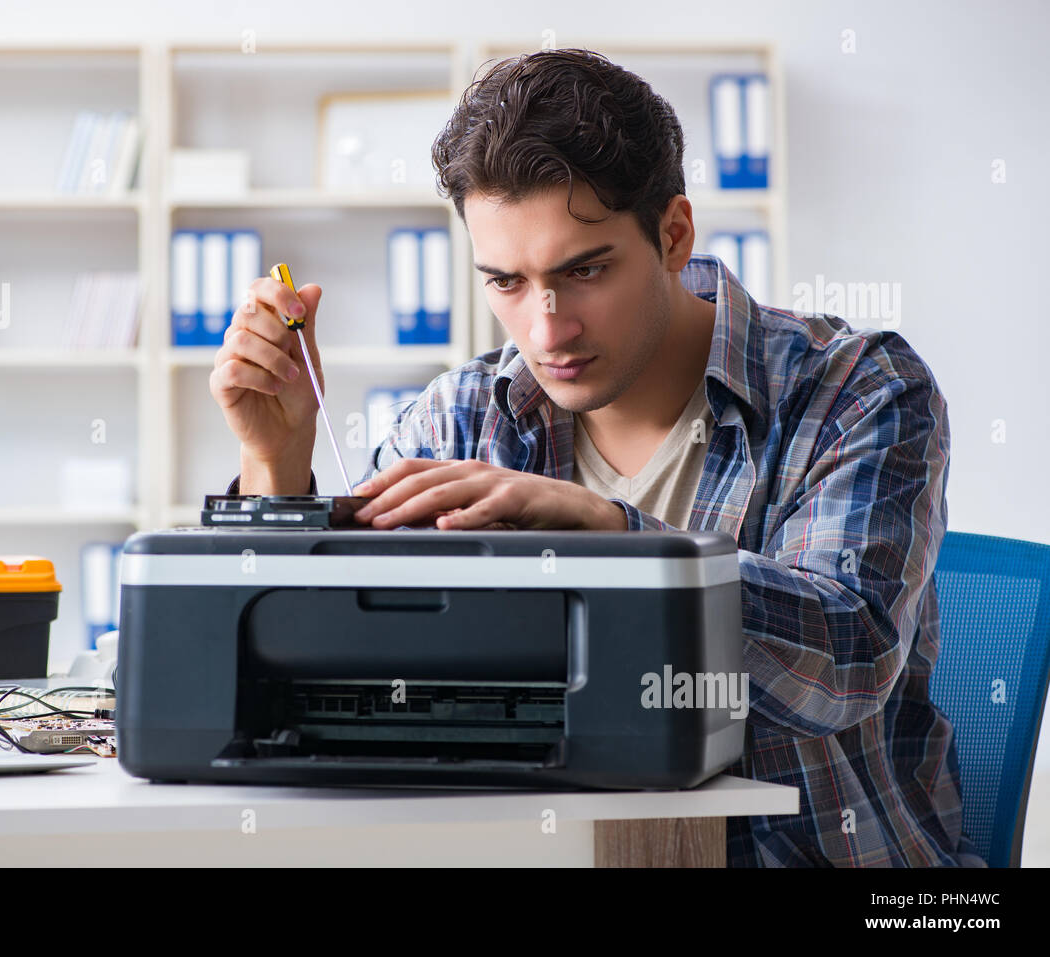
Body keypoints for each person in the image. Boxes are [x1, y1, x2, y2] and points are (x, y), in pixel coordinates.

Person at [208, 48, 983, 867]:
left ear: (673, 235)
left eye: (584, 270)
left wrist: (612, 539)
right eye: (506, 282)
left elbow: (848, 660)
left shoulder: (857, 390)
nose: (547, 330)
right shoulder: (462, 418)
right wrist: (276, 465)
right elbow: (324, 675)